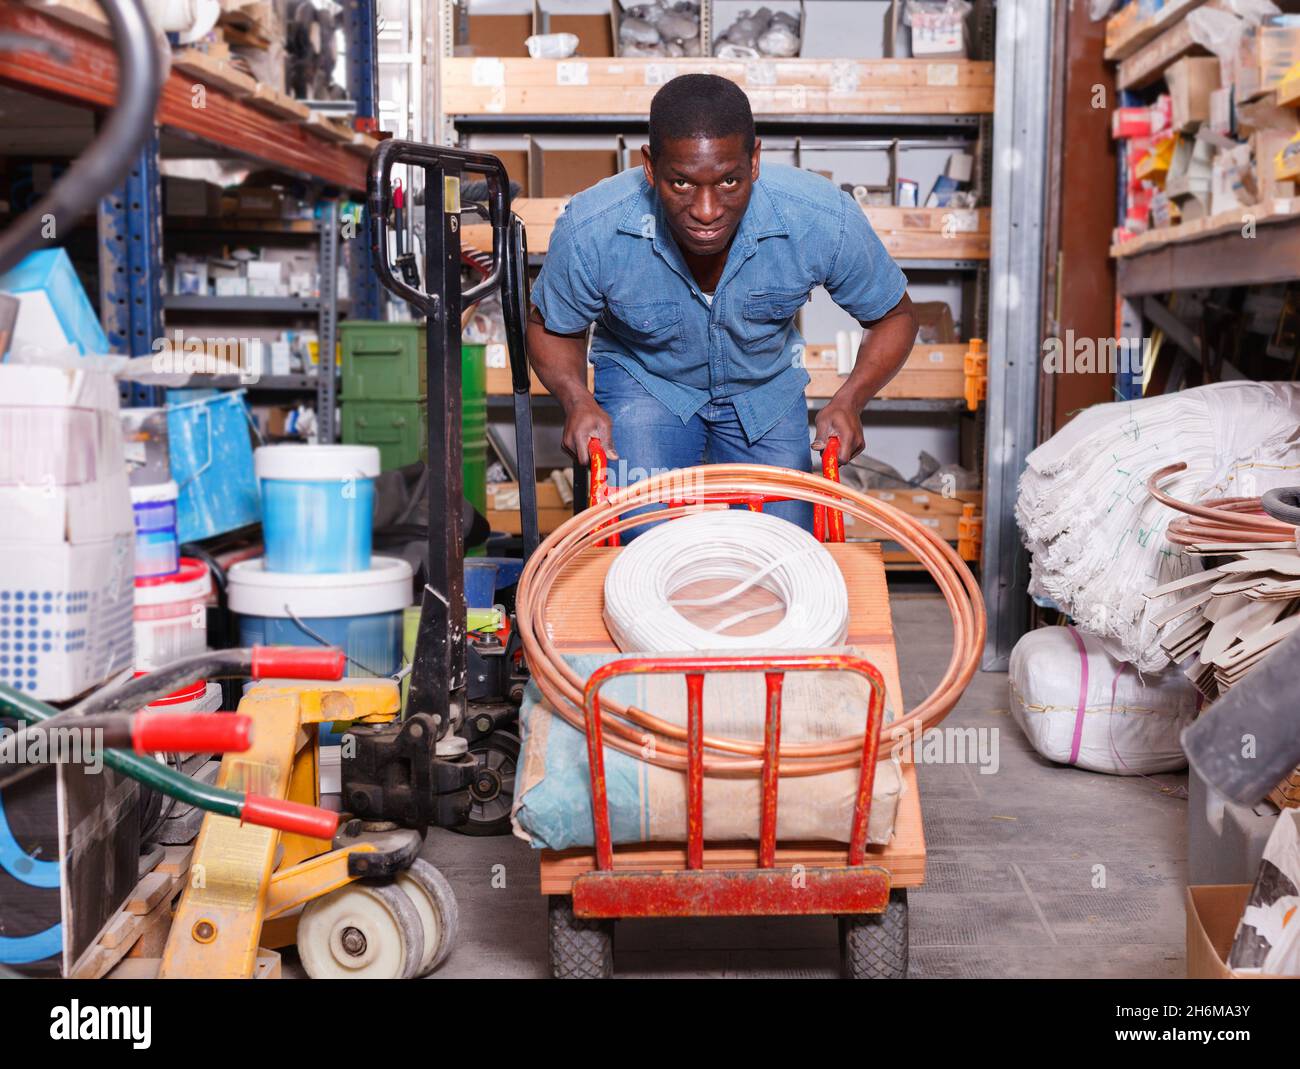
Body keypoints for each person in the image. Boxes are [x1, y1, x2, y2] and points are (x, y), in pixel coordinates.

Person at [526, 73, 918, 532]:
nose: (707, 210)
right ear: (650, 167)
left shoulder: (819, 218)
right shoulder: (594, 227)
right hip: (648, 384)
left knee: (783, 554)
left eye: (729, 181)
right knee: (640, 544)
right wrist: (576, 399)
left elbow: (895, 315)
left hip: (764, 391)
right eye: (682, 184)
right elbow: (554, 327)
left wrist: (851, 399)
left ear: (754, 160)